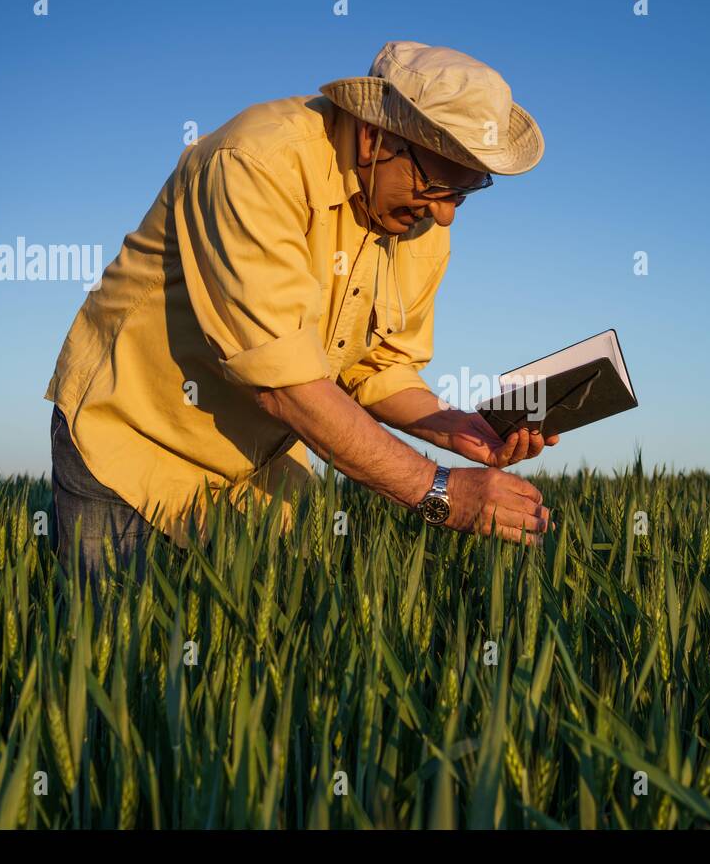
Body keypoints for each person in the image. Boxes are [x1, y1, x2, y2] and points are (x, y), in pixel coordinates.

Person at [45, 41, 558, 577]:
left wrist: (457, 427)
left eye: (463, 194)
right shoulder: (256, 162)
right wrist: (442, 492)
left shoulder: (420, 224)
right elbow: (284, 386)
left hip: (260, 474)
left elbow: (377, 369)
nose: (446, 216)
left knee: (259, 655)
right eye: (435, 186)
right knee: (109, 647)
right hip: (133, 445)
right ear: (372, 135)